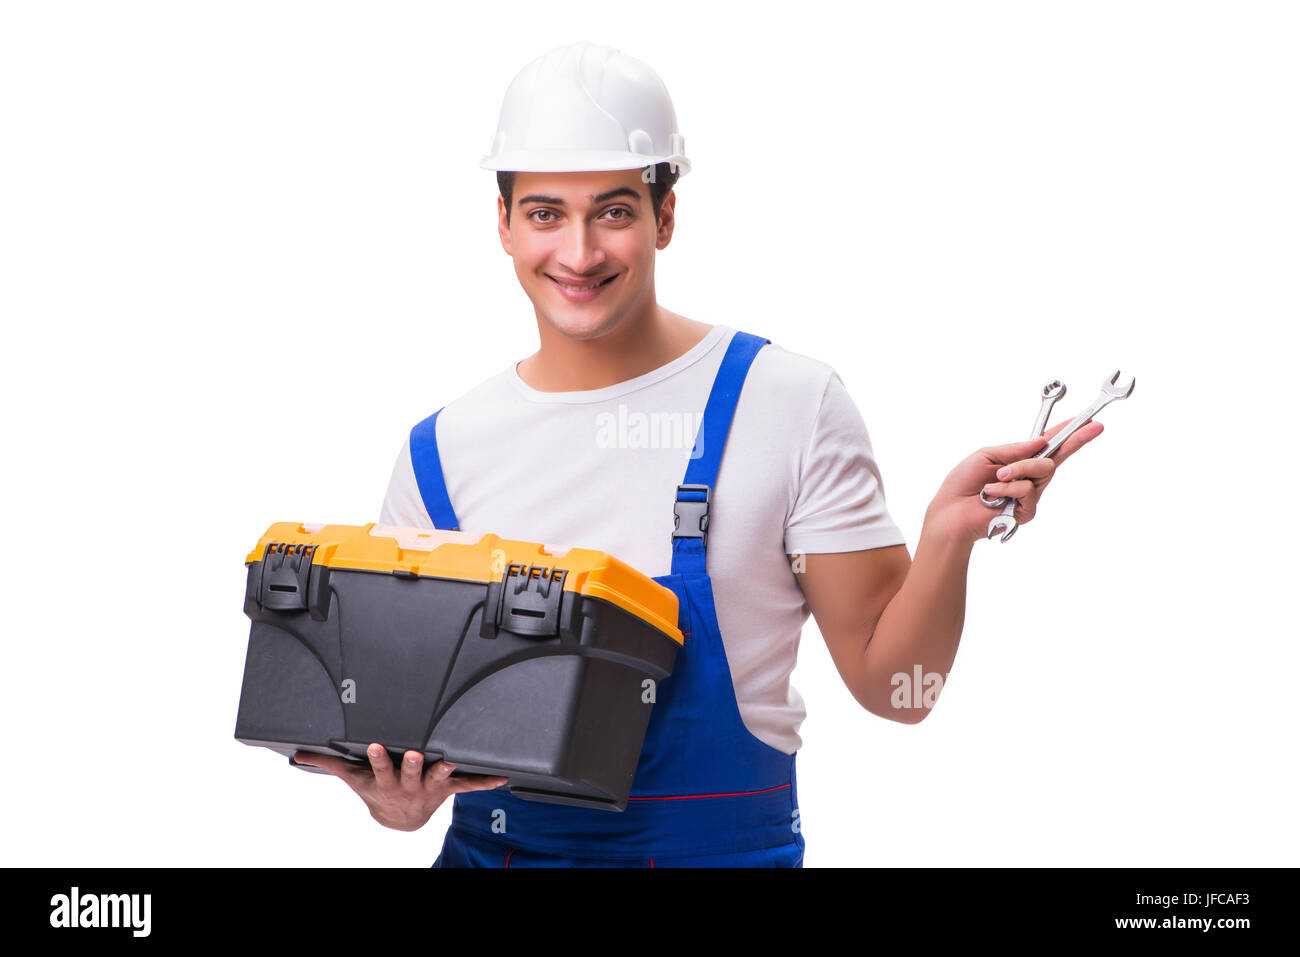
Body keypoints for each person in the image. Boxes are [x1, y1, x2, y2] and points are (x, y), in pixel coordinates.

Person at [293, 41, 1102, 867]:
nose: (578, 254)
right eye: (545, 213)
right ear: (502, 223)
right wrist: (396, 802)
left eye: (612, 211)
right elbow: (406, 757)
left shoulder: (785, 405)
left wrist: (945, 539)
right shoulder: (442, 451)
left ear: (664, 215)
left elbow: (899, 692)